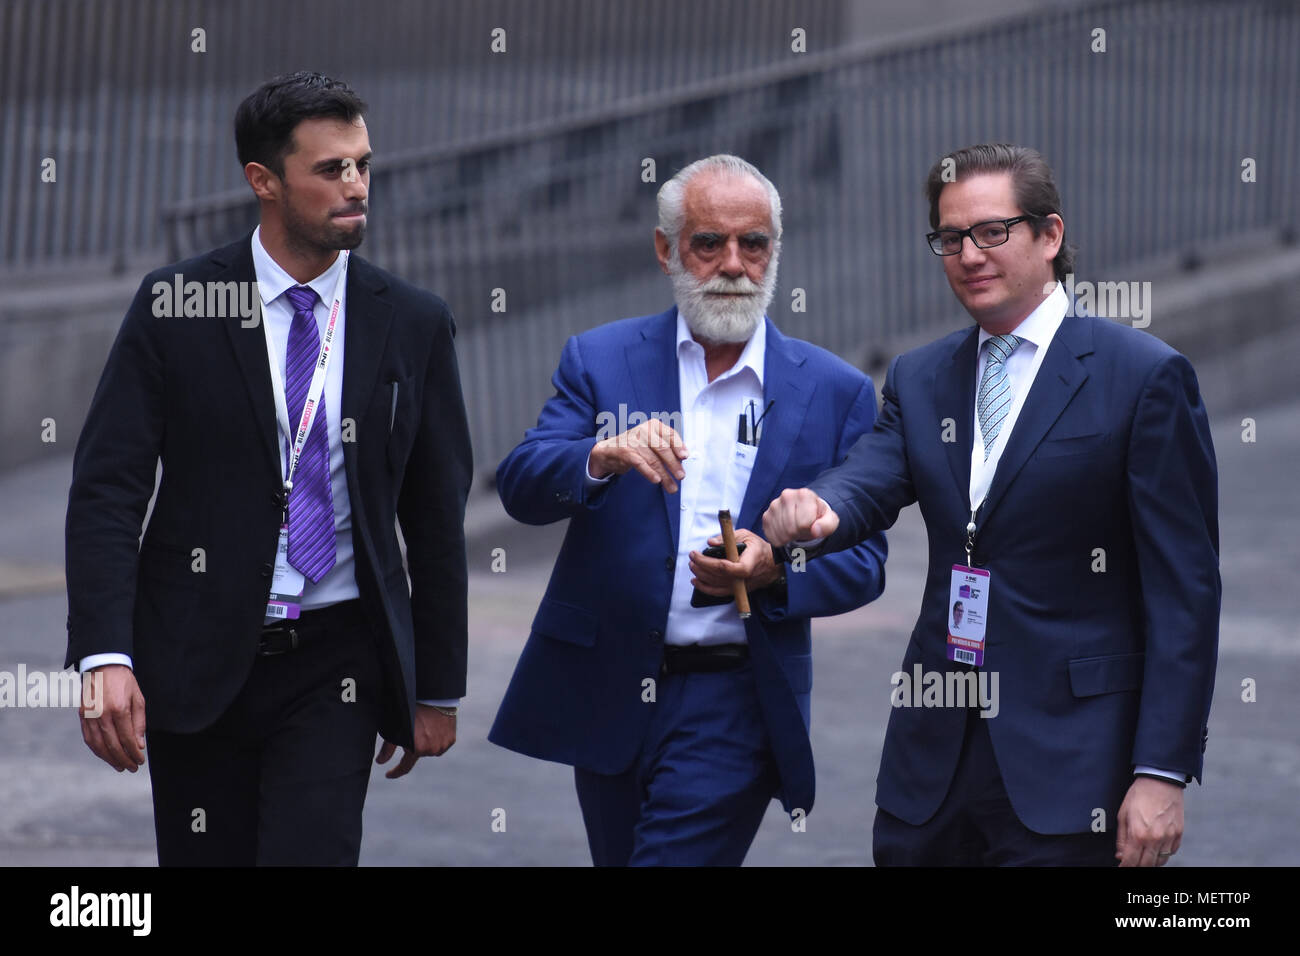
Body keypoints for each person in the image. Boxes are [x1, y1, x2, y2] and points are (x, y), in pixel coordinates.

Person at [764, 143, 1220, 867]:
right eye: (950, 238)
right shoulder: (920, 377)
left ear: (1050, 235)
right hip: (932, 763)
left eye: (991, 232)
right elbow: (866, 478)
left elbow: (1185, 592)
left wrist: (1161, 770)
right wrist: (817, 512)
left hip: (1072, 764)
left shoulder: (1143, 377)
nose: (969, 254)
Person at [64, 72, 472, 865]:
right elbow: (108, 488)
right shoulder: (176, 304)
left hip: (338, 663)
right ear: (263, 181)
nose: (356, 187)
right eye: (330, 169)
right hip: (194, 657)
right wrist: (105, 655)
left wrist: (437, 686)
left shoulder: (413, 321)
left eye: (362, 164)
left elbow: (435, 511)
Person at [489, 155, 887, 865]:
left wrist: (773, 571)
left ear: (774, 251)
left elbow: (865, 561)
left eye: (754, 243)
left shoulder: (836, 391)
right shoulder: (601, 359)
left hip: (735, 698)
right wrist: (600, 455)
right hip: (608, 686)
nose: (733, 264)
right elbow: (521, 484)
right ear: (666, 249)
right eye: (709, 243)